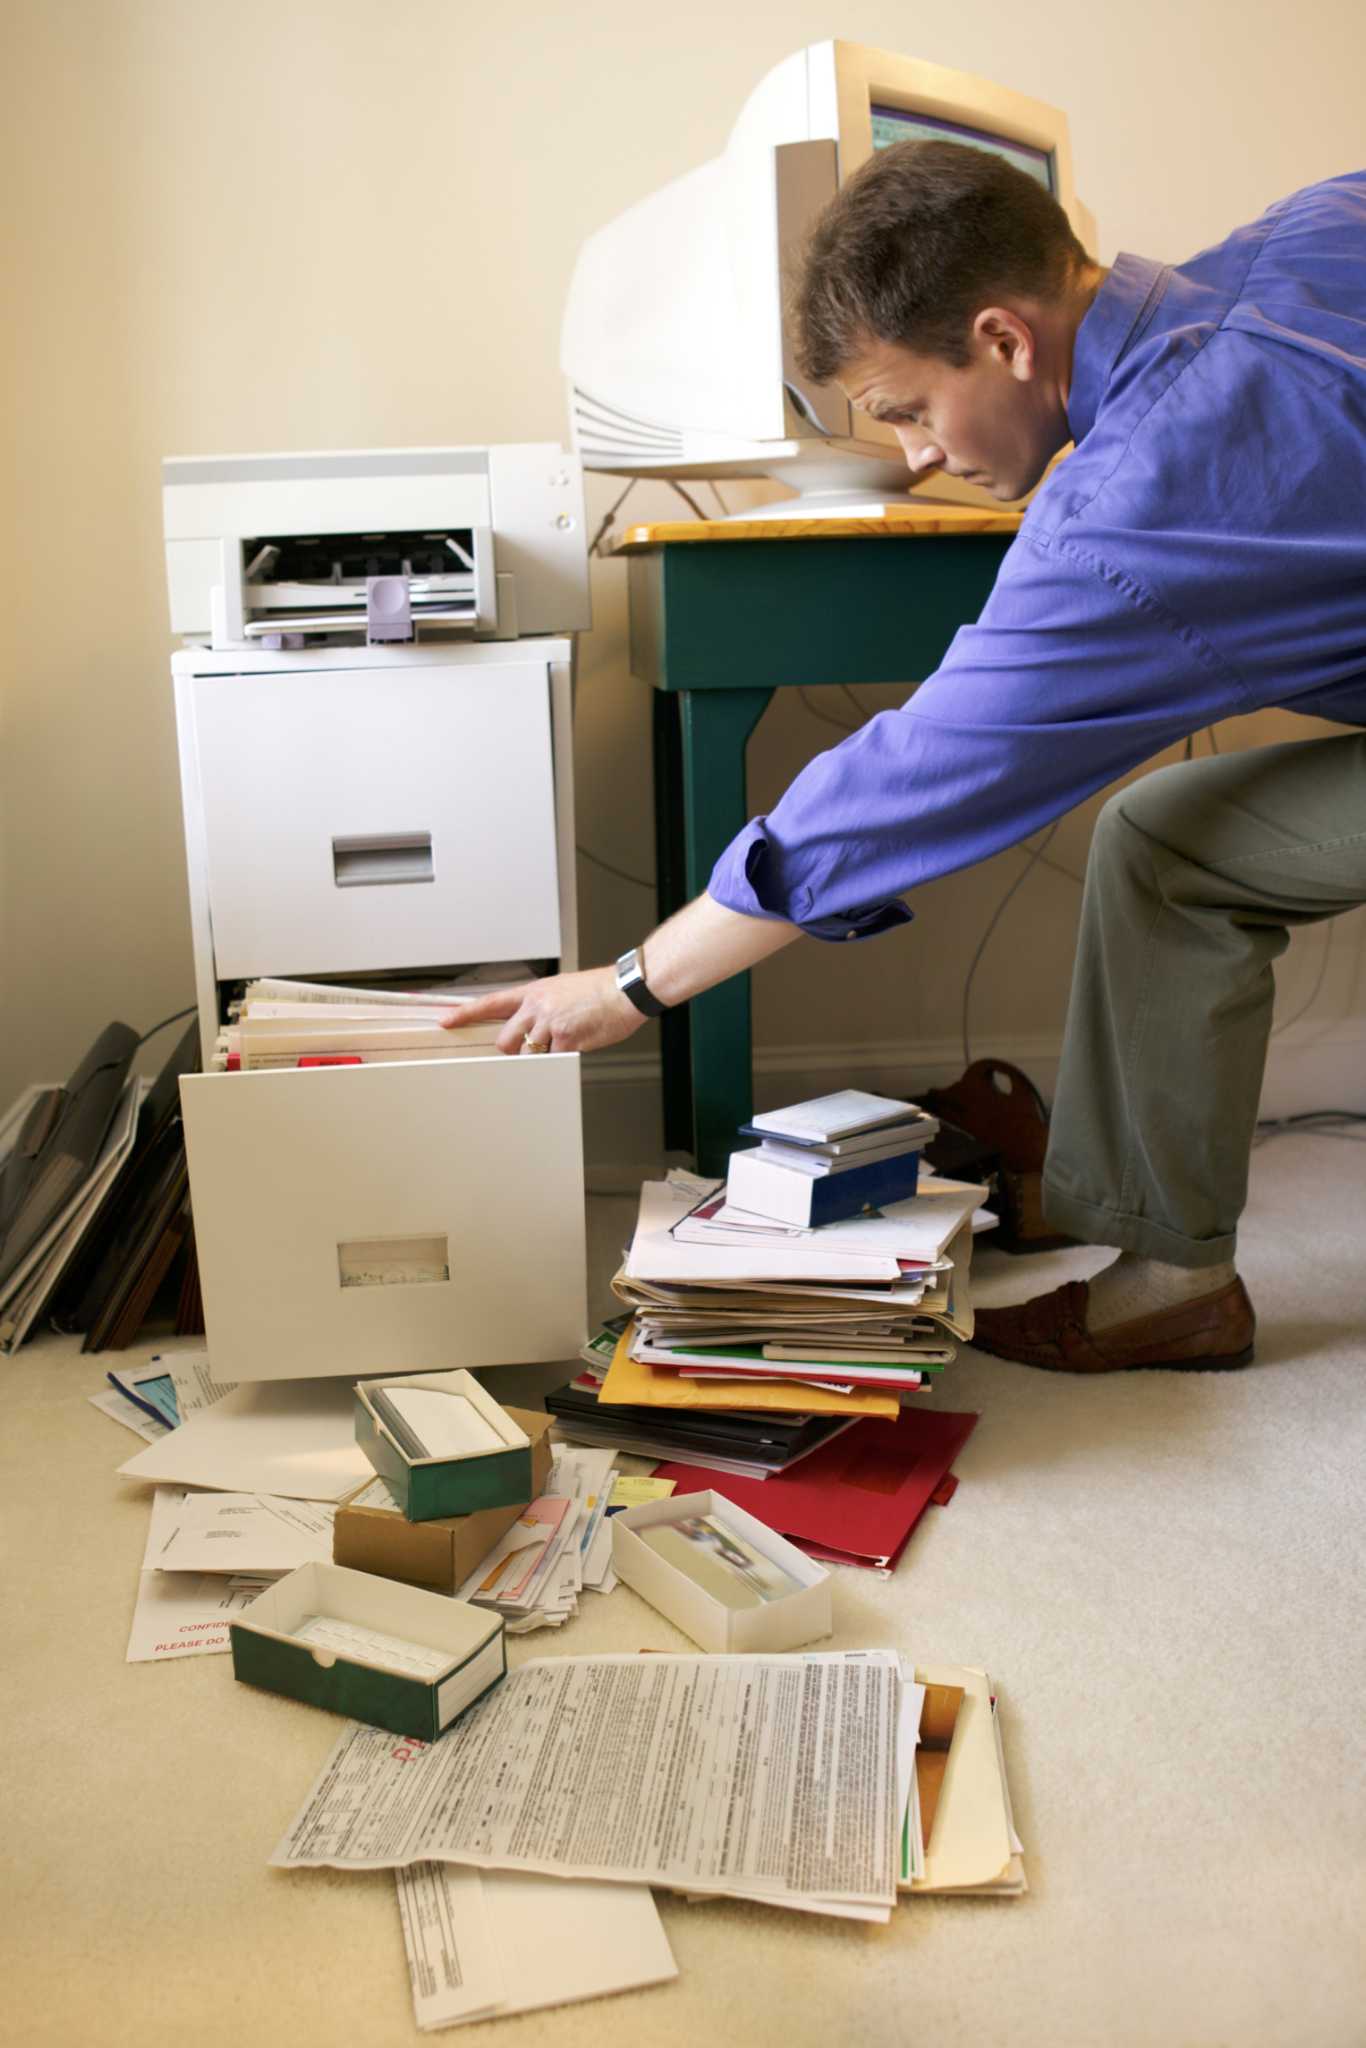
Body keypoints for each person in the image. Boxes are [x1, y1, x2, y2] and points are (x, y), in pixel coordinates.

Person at [445, 142, 1366, 1374]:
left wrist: (622, 984)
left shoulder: (1132, 514)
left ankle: (1169, 1287)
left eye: (907, 410)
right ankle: (1146, 1230)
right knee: (1161, 837)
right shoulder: (1316, 221)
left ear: (1002, 338)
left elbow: (893, 788)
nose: (916, 457)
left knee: (1163, 857)